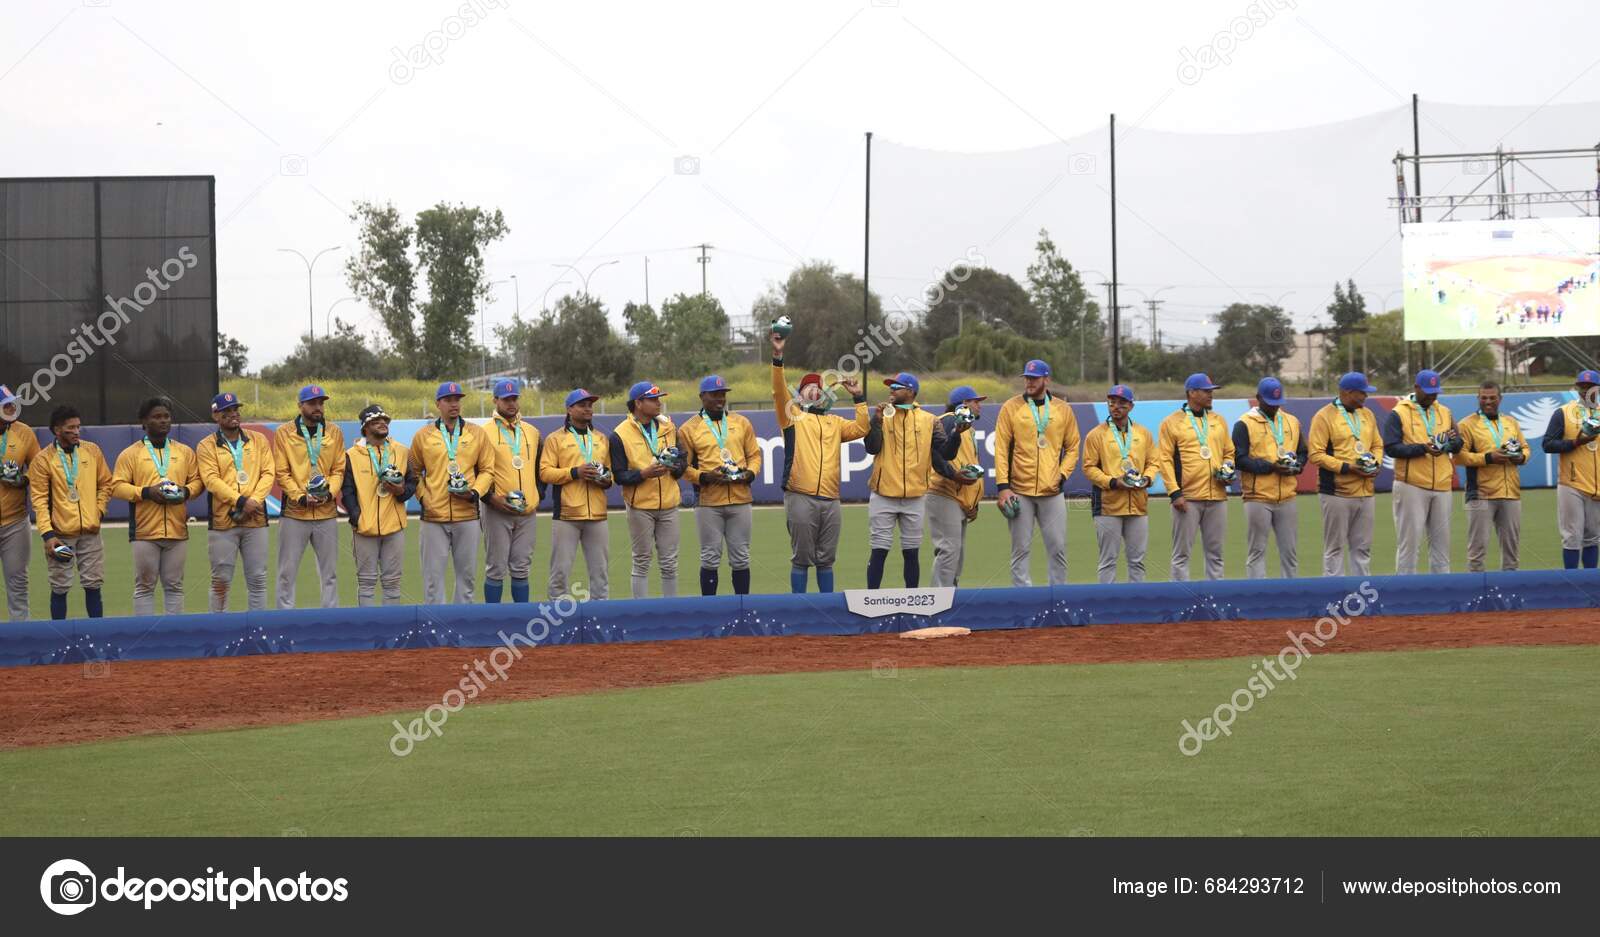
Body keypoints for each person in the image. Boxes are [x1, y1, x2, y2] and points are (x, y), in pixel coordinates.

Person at [770, 332, 868, 593]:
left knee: (827, 560)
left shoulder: (834, 422)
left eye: (818, 387)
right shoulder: (791, 417)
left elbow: (861, 429)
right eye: (807, 387)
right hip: (800, 495)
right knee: (802, 558)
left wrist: (859, 397)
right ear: (799, 395)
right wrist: (778, 357)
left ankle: (828, 609)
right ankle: (799, 608)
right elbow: (778, 391)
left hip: (831, 499)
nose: (814, 389)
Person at [862, 371, 963, 589]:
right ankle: (871, 599)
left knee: (911, 552)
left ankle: (912, 600)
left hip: (915, 496)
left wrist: (956, 434)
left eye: (896, 387)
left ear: (910, 392)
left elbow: (946, 454)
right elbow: (871, 447)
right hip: (883, 494)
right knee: (879, 549)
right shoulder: (883, 415)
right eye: (890, 387)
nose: (891, 390)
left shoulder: (930, 420)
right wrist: (875, 422)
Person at [993, 359, 1081, 586]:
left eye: (1034, 378)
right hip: (1019, 491)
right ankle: (1024, 601)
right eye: (1027, 378)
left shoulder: (1062, 409)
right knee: (1020, 551)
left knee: (1058, 549)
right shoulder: (1010, 407)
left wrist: (1061, 475)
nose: (1029, 383)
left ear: (1046, 379)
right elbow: (1001, 449)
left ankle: (1058, 598)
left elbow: (1073, 447)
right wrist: (1003, 487)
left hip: (1052, 491)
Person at [112, 397, 203, 615]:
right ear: (144, 422)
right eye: (156, 417)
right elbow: (116, 486)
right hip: (144, 532)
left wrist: (186, 492)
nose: (163, 421)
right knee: (144, 586)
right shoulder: (130, 454)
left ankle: (174, 637)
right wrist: (147, 492)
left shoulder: (184, 452)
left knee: (175, 586)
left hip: (177, 530)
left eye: (166, 416)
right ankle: (145, 640)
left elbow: (198, 481)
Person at [411, 381, 495, 604]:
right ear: (438, 404)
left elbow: (487, 470)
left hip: (467, 515)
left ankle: (462, 630)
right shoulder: (423, 435)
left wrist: (474, 493)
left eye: (457, 399)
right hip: (433, 517)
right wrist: (423, 498)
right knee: (432, 581)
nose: (454, 404)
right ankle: (435, 635)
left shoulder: (476, 433)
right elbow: (413, 472)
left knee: (467, 580)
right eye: (448, 400)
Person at [679, 374, 761, 595]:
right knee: (710, 557)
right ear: (702, 397)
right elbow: (683, 468)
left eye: (723, 394)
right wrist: (705, 477)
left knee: (741, 557)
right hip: (708, 502)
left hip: (740, 497)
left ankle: (743, 609)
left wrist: (749, 474)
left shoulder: (741, 422)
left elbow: (754, 455)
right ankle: (710, 611)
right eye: (714, 395)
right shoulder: (688, 428)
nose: (720, 399)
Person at [29, 406, 113, 619]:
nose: (77, 431)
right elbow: (39, 500)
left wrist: (99, 512)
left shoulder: (92, 450)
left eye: (78, 426)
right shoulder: (42, 459)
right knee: (60, 586)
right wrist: (48, 535)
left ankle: (97, 637)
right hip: (60, 536)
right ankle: (59, 641)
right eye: (71, 428)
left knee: (93, 584)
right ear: (57, 430)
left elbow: (105, 484)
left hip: (91, 533)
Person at [195, 391, 274, 611]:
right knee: (221, 581)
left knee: (258, 579)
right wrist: (241, 501)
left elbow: (268, 473)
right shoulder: (206, 445)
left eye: (235, 409)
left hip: (255, 520)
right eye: (226, 411)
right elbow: (211, 480)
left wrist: (255, 501)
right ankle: (219, 632)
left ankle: (258, 632)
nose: (233, 414)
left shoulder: (258, 440)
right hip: (223, 523)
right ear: (215, 416)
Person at [611, 381, 687, 598]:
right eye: (653, 399)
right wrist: (644, 474)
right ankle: (639, 612)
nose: (658, 403)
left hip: (670, 504)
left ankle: (671, 612)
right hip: (640, 506)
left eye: (658, 398)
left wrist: (676, 467)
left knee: (670, 562)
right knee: (641, 560)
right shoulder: (619, 434)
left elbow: (683, 458)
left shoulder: (669, 427)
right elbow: (619, 475)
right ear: (638, 403)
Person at [1156, 373, 1235, 581]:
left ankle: (1215, 602)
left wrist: (1228, 469)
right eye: (1206, 391)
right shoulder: (1171, 423)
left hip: (1217, 496)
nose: (1211, 395)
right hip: (1187, 498)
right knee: (1181, 555)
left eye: (1212, 391)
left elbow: (1229, 452)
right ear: (1191, 393)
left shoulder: (1218, 420)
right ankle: (1181, 603)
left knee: (1216, 555)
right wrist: (1175, 493)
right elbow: (1164, 460)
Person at [274, 384, 346, 608]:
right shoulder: (284, 433)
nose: (318, 407)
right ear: (300, 406)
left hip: (326, 512)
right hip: (295, 513)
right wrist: (300, 496)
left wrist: (329, 493)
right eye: (312, 403)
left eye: (321, 403)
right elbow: (282, 472)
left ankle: (331, 619)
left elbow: (338, 470)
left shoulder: (334, 432)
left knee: (330, 574)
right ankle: (284, 621)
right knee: (286, 574)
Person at [1383, 368, 1461, 574]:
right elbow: (1391, 448)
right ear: (1416, 388)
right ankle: (1405, 595)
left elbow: (1459, 442)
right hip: (1411, 485)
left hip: (1442, 485)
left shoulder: (1444, 411)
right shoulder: (1398, 412)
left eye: (1435, 391)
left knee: (1442, 548)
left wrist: (1448, 445)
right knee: (1409, 546)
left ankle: (1443, 595)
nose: (1432, 395)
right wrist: (1422, 448)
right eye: (1427, 391)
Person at [540, 388, 614, 600]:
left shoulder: (601, 438)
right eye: (582, 405)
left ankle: (599, 620)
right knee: (560, 573)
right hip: (567, 514)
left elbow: (610, 473)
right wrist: (575, 472)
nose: (588, 408)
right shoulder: (555, 439)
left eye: (590, 405)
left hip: (597, 514)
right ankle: (557, 620)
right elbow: (544, 472)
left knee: (600, 574)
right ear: (569, 409)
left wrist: (605, 479)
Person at [341, 404, 418, 606]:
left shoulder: (401, 451)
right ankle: (368, 631)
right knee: (366, 583)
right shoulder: (351, 455)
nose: (383, 423)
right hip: (364, 528)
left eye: (385, 420)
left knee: (392, 583)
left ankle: (390, 632)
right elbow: (347, 492)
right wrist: (356, 517)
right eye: (376, 421)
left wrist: (401, 492)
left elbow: (412, 483)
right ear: (365, 427)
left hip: (394, 527)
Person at [1308, 372, 1384, 575]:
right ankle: (1334, 597)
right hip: (1336, 492)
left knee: (1362, 550)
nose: (1366, 397)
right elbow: (1315, 454)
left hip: (1365, 491)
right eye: (1362, 393)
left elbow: (1377, 444)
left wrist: (1374, 463)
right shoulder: (1324, 416)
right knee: (1334, 549)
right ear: (1347, 392)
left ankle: (1362, 597)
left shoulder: (1367, 414)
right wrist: (1347, 467)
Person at [1232, 377, 1308, 579]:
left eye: (1278, 403)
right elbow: (1238, 459)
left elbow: (1302, 451)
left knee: (1290, 553)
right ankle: (1257, 598)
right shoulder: (1244, 423)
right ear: (1258, 398)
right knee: (1257, 551)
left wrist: (1296, 466)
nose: (1274, 407)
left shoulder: (1292, 421)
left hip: (1287, 496)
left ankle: (1292, 597)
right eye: (1269, 403)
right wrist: (1270, 467)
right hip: (1258, 496)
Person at [1080, 384, 1157, 583]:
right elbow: (1089, 468)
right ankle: (1107, 609)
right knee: (1108, 561)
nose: (1116, 407)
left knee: (1137, 561)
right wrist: (1113, 482)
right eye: (1112, 402)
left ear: (1131, 406)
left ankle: (1138, 608)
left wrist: (1147, 479)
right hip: (1108, 506)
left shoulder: (1143, 433)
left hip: (1137, 505)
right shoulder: (1096, 435)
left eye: (1122, 403)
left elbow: (1153, 463)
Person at [1454, 381, 1528, 572]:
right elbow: (1459, 457)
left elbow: (1525, 448)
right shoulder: (1466, 424)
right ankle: (1476, 597)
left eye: (1492, 398)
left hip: (1511, 493)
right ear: (1478, 398)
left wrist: (1521, 457)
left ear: (1500, 399)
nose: (1488, 401)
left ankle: (1510, 596)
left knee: (1512, 554)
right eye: (1484, 398)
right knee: (1476, 553)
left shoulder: (1511, 422)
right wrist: (1489, 457)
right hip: (1480, 495)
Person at [482, 379, 543, 604]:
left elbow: (540, 469)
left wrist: (538, 495)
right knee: (496, 568)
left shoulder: (532, 432)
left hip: (527, 511)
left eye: (514, 398)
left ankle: (521, 618)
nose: (511, 403)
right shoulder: (483, 432)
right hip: (497, 510)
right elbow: (477, 471)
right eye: (506, 399)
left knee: (521, 567)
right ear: (495, 400)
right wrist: (490, 498)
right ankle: (492, 620)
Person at [927, 386, 987, 587]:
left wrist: (973, 502)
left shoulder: (967, 429)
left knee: (955, 552)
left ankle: (949, 596)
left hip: (957, 497)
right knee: (949, 550)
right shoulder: (950, 419)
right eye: (975, 401)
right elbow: (939, 455)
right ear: (963, 405)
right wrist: (955, 477)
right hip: (944, 492)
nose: (979, 405)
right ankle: (937, 603)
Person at [1541, 369, 1600, 569]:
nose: (1585, 391)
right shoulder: (1563, 412)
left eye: (1590, 387)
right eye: (1581, 387)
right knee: (1572, 536)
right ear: (1576, 388)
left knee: (1593, 537)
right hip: (1571, 484)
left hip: (1597, 485)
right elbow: (1548, 444)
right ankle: (1571, 586)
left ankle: (1591, 586)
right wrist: (1575, 442)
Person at [0, 383, 41, 620]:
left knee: (18, 584)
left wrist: (23, 481)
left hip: (15, 522)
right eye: (5, 405)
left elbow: (39, 469)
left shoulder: (24, 432)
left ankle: (20, 644)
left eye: (11, 403)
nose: (10, 408)